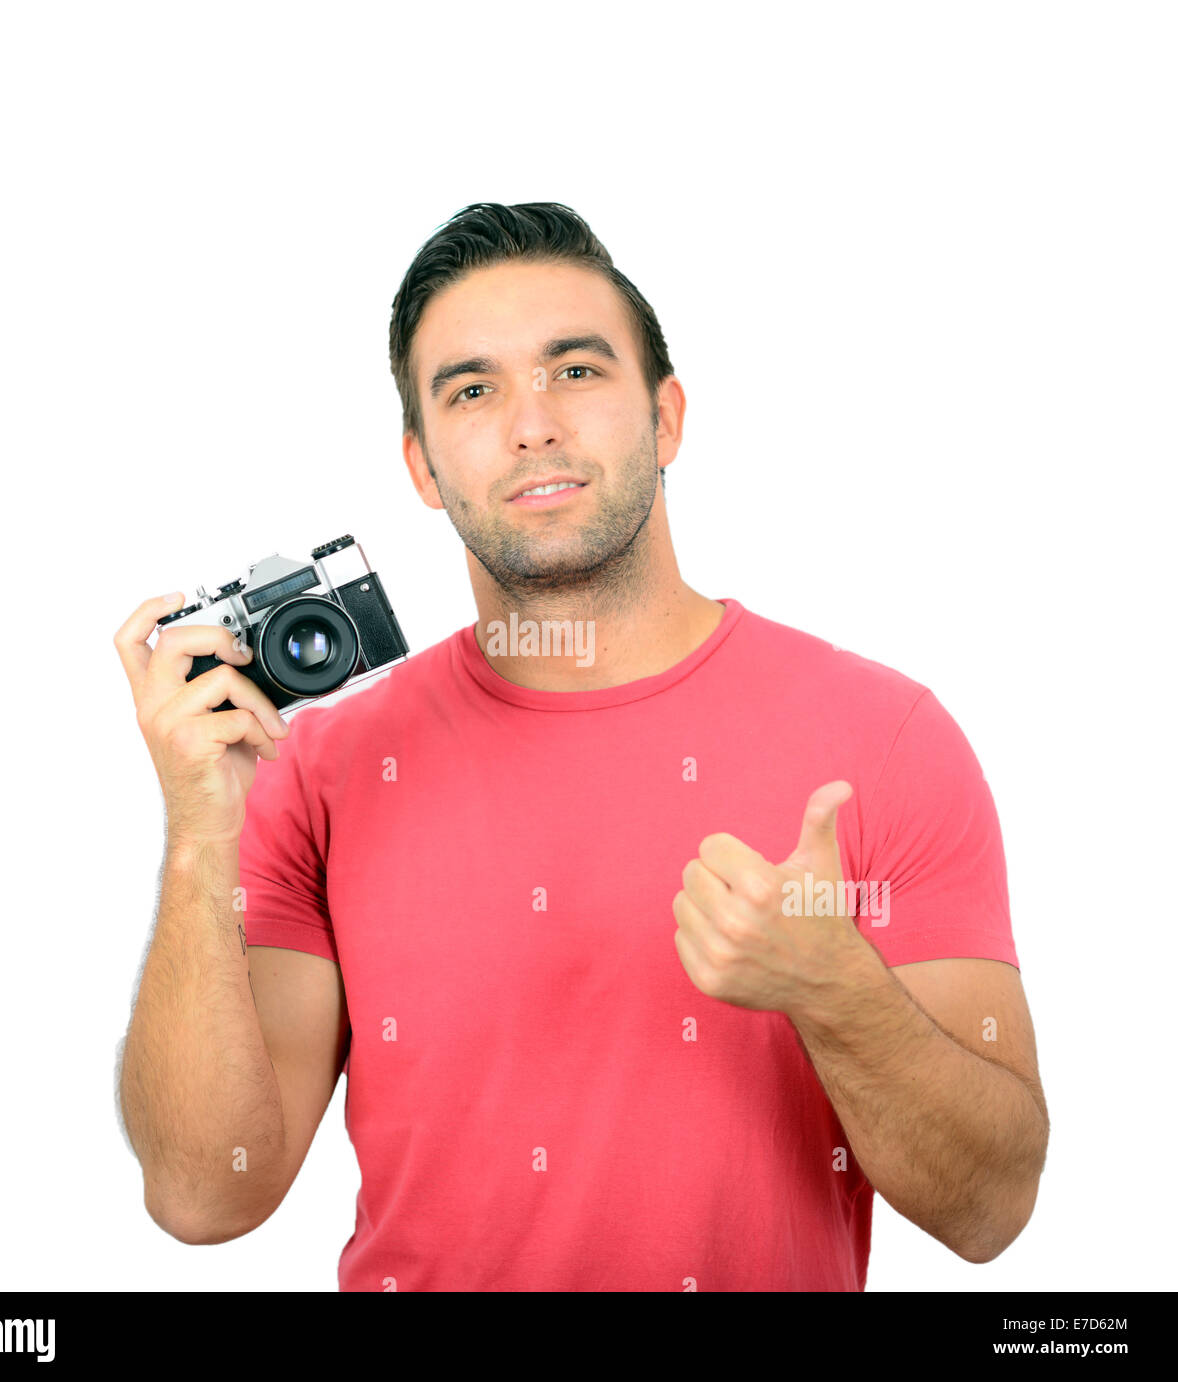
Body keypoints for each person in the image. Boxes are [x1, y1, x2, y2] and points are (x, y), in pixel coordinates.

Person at [114, 202, 1048, 1292]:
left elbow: (990, 1210)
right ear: (420, 466)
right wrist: (195, 835)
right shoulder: (316, 771)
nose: (531, 425)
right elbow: (203, 1194)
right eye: (472, 390)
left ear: (665, 419)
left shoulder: (881, 740)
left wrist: (833, 986)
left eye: (575, 371)